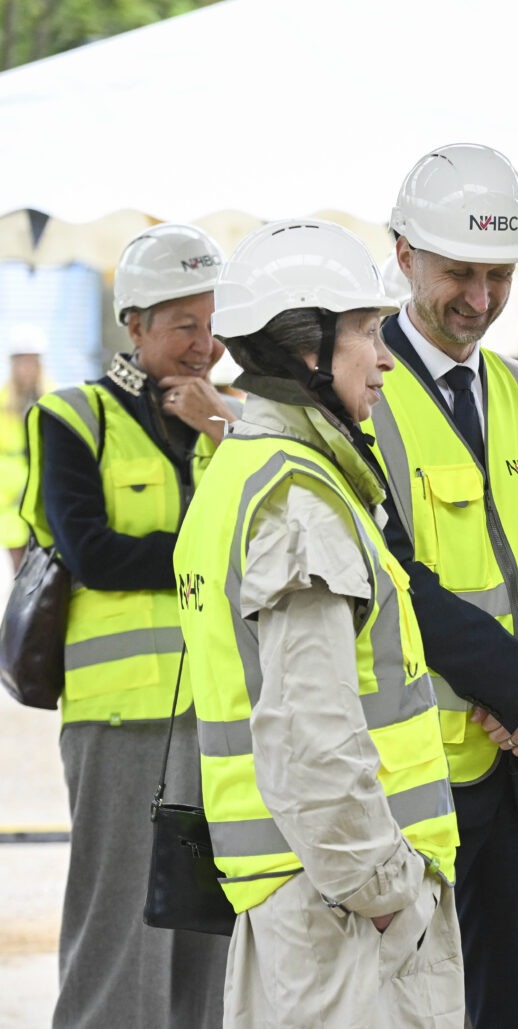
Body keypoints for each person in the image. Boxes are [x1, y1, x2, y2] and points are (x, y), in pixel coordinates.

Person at [174, 218, 462, 1027]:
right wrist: (386, 892)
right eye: (368, 331)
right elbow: (313, 740)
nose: (386, 357)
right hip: (341, 910)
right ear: (308, 350)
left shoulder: (244, 472)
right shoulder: (300, 502)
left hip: (304, 898)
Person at [367, 143, 518, 1029]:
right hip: (418, 783)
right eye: (459, 273)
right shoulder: (362, 395)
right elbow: (390, 577)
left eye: (498, 276)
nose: (481, 298)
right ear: (404, 254)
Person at [18, 223, 232, 1028]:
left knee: (209, 930)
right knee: (119, 930)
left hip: (216, 712)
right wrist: (202, 553)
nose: (204, 344)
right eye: (184, 326)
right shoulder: (73, 419)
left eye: (211, 324)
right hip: (121, 719)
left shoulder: (231, 422)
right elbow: (98, 554)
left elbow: (268, 540)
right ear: (134, 323)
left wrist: (221, 430)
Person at [0, 324, 47, 569]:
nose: (26, 368)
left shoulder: (51, 399)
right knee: (19, 569)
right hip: (10, 503)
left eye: (31, 361)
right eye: (22, 361)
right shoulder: (3, 403)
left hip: (42, 498)